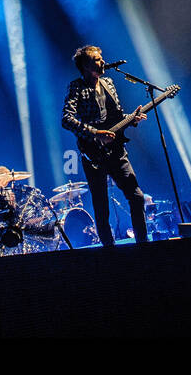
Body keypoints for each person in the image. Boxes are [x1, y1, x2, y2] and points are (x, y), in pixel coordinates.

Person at [61, 45, 150, 246]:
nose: (102, 61)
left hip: (117, 152)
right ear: (85, 65)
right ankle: (109, 253)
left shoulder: (109, 83)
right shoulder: (77, 87)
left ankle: (144, 246)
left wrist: (132, 119)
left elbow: (117, 118)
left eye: (101, 58)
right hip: (93, 154)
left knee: (137, 197)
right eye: (96, 59)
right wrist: (96, 134)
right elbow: (66, 119)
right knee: (101, 208)